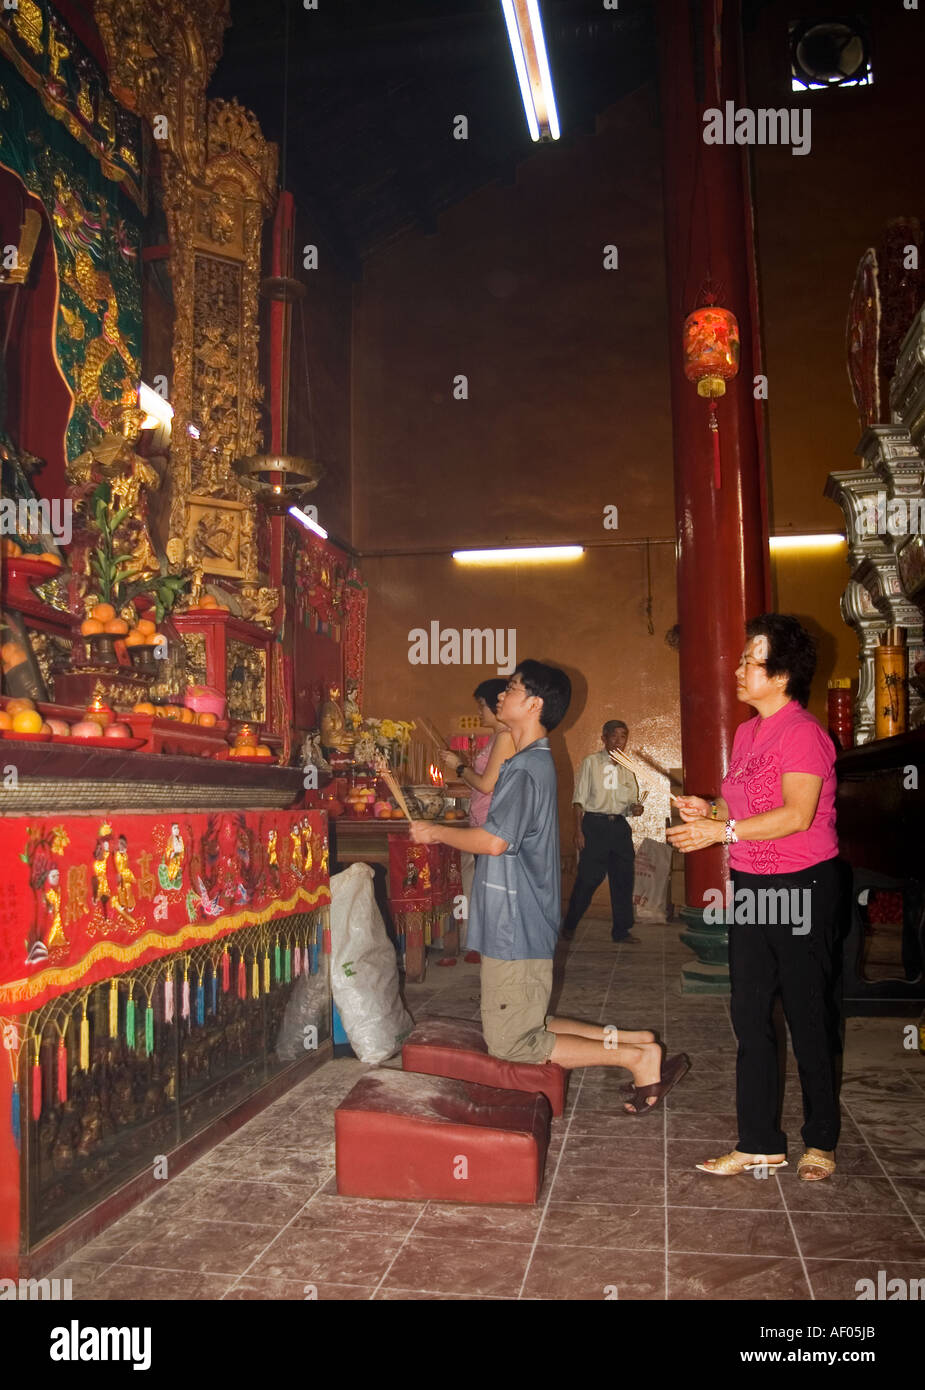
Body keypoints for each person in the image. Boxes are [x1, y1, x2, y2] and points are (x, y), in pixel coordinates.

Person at [412, 660, 689, 1115]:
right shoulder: (528, 761)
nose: (502, 695)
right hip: (520, 916)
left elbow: (494, 841)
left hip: (514, 922)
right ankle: (639, 1042)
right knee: (532, 1019)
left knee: (513, 1041)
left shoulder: (524, 768)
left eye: (513, 688)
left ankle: (637, 1059)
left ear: (534, 704)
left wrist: (435, 832)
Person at [667, 614, 842, 1180]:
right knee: (749, 1013)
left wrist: (722, 832)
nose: (738, 667)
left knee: (806, 1012)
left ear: (784, 673)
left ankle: (821, 1140)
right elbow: (740, 809)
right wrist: (708, 809)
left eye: (751, 659)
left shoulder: (804, 733)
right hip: (751, 886)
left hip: (803, 885)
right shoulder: (747, 733)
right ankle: (759, 1141)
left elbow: (797, 815)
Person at [440, 678, 515, 963]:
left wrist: (458, 766)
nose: (480, 712)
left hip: (492, 822)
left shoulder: (506, 736)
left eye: (482, 705)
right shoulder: (497, 737)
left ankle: (492, 947)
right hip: (484, 819)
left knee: (492, 888)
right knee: (485, 886)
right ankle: (485, 944)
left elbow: (486, 785)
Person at [561, 721, 645, 943]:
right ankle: (569, 925)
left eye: (623, 737)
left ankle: (621, 930)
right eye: (614, 736)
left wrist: (635, 808)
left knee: (623, 879)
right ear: (604, 738)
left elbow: (629, 804)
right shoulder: (591, 763)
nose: (619, 741)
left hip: (618, 827)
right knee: (588, 879)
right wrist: (578, 831)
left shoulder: (628, 766)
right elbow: (578, 801)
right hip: (594, 826)